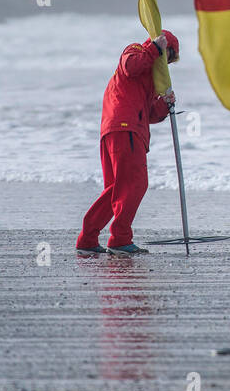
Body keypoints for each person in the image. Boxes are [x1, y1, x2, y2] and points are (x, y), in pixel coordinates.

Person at [76, 30, 179, 256]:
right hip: (125, 128)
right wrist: (155, 48)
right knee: (136, 184)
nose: (167, 63)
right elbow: (130, 66)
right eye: (168, 57)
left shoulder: (148, 78)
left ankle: (87, 238)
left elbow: (150, 113)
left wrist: (164, 104)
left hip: (116, 129)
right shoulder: (136, 51)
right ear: (164, 48)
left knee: (117, 189)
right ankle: (120, 239)